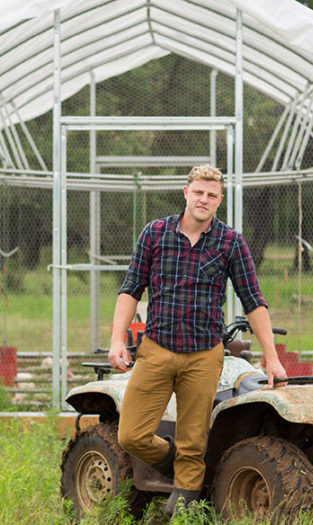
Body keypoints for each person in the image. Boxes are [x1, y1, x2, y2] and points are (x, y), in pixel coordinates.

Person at [108, 164, 287, 517]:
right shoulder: (155, 233)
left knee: (193, 442)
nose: (204, 199)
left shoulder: (230, 242)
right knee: (131, 435)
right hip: (157, 349)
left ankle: (184, 509)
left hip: (204, 355)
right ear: (186, 193)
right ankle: (180, 467)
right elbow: (130, 289)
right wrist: (117, 340)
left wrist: (272, 356)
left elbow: (253, 300)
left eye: (212, 195)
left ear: (220, 200)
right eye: (199, 192)